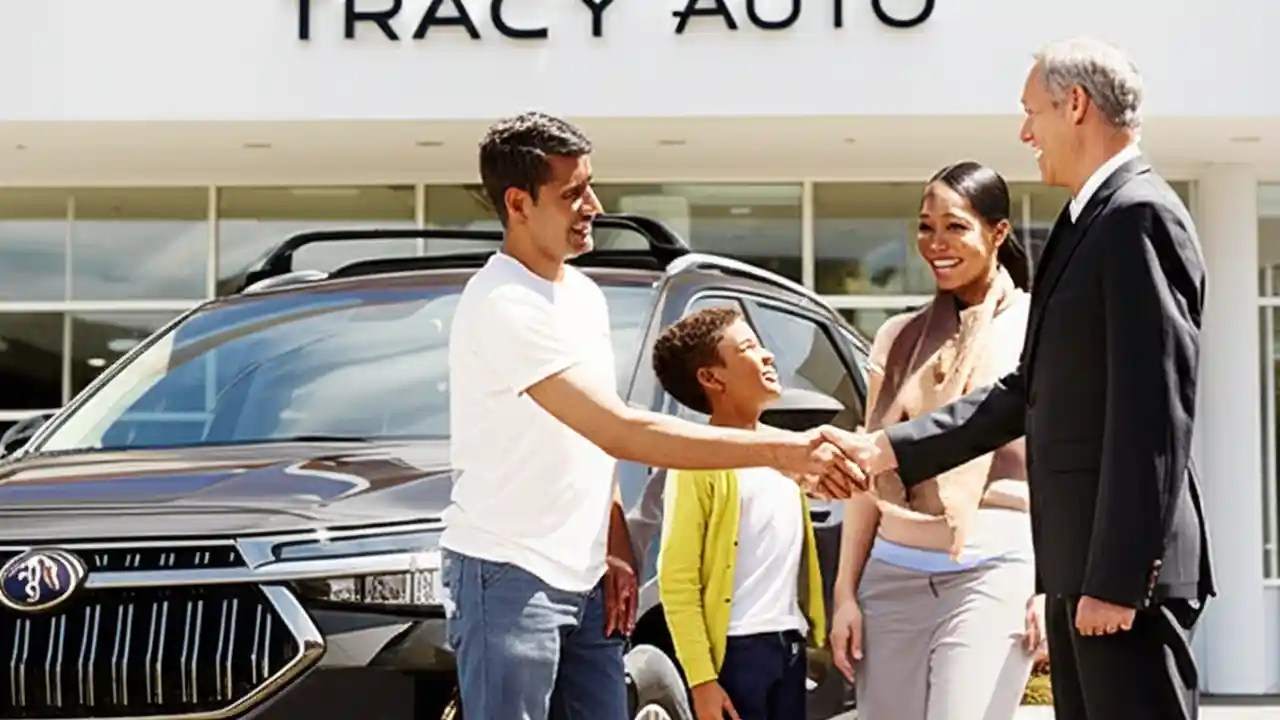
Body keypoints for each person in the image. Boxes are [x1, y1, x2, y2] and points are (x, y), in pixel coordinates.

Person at [822, 37, 1215, 720]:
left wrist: (1118, 581)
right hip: (1078, 570)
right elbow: (1026, 393)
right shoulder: (1087, 221)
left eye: (1032, 112)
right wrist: (885, 449)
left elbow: (1154, 413)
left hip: (1119, 584)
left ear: (1076, 105)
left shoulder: (1139, 216)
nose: (1025, 133)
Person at [441, 111, 860, 720]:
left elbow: (593, 444)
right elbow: (620, 429)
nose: (593, 205)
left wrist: (616, 550)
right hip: (509, 578)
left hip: (588, 580)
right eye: (572, 193)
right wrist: (783, 451)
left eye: (590, 185)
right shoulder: (504, 304)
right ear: (518, 203)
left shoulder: (582, 297)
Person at [827, 161, 1043, 720]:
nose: (936, 243)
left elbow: (1067, 469)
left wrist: (1051, 587)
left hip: (994, 568)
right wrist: (845, 593)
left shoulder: (1038, 328)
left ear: (997, 232)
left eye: (955, 227)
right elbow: (869, 468)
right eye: (926, 227)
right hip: (891, 575)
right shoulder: (897, 337)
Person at [651, 306, 827, 720]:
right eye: (748, 347)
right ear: (712, 378)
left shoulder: (785, 450)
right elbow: (678, 578)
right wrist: (702, 681)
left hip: (788, 644)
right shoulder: (699, 461)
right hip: (737, 654)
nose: (767, 355)